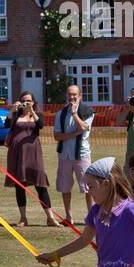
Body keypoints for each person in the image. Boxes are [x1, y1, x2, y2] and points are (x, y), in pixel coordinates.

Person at [4, 91, 58, 228]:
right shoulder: (16, 115)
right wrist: (12, 110)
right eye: (23, 100)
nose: (26, 103)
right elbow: (6, 124)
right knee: (19, 185)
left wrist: (31, 111)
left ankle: (50, 218)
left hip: (33, 153)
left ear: (33, 102)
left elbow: (40, 125)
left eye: (29, 100)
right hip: (17, 153)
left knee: (40, 185)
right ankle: (23, 218)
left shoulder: (37, 114)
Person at [52, 84, 94, 224]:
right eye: (70, 94)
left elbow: (83, 127)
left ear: (80, 96)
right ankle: (69, 217)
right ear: (66, 96)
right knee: (65, 187)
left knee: (88, 188)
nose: (72, 97)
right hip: (65, 155)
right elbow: (57, 136)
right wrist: (74, 134)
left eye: (75, 94)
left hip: (81, 154)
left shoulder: (87, 111)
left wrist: (75, 113)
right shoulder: (60, 113)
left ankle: (92, 217)